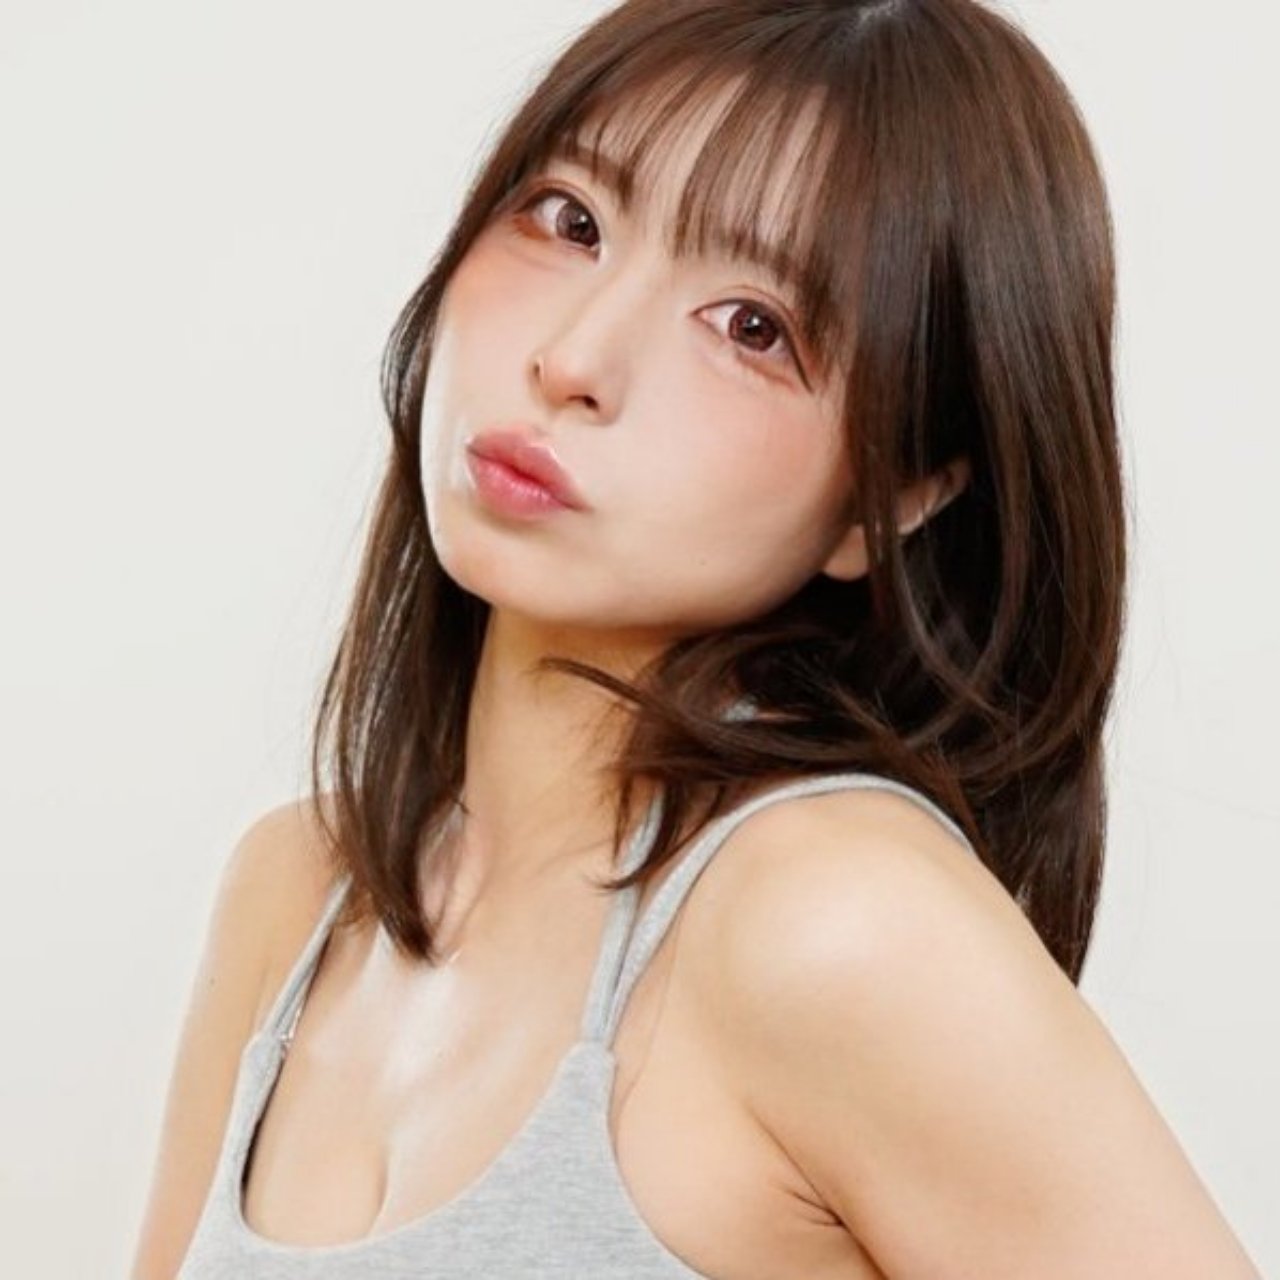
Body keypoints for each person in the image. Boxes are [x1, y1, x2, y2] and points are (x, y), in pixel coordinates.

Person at [130, 0, 1261, 1276]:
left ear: (895, 496)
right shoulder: (293, 891)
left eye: (751, 326)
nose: (573, 358)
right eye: (569, 220)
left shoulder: (833, 919)